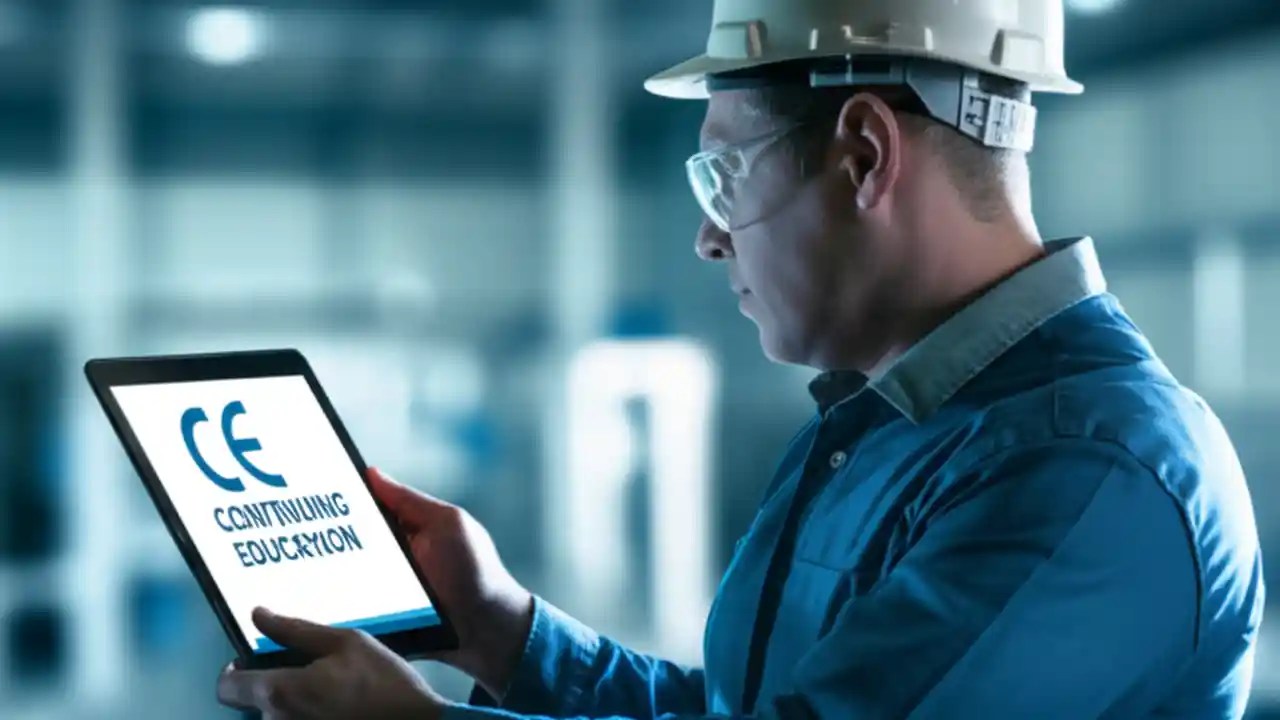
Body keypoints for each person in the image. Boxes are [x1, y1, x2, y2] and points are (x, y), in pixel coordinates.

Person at [217, 0, 1266, 717]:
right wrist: (507, 634)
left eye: (724, 175)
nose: (709, 237)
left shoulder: (1085, 471)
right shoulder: (881, 431)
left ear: (863, 155)